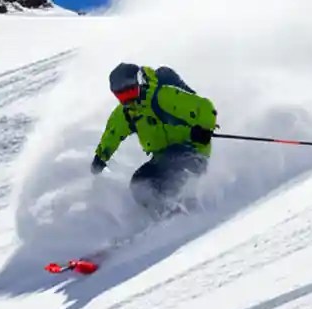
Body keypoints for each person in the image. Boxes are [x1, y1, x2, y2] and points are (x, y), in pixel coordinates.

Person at [91, 63, 217, 217]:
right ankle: (164, 213)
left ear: (140, 83)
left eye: (131, 92)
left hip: (192, 151)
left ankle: (187, 212)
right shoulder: (127, 113)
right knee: (139, 183)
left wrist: (204, 129)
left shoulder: (162, 97)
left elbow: (204, 107)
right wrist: (101, 157)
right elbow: (113, 133)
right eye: (122, 97)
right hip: (163, 157)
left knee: (172, 176)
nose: (128, 100)